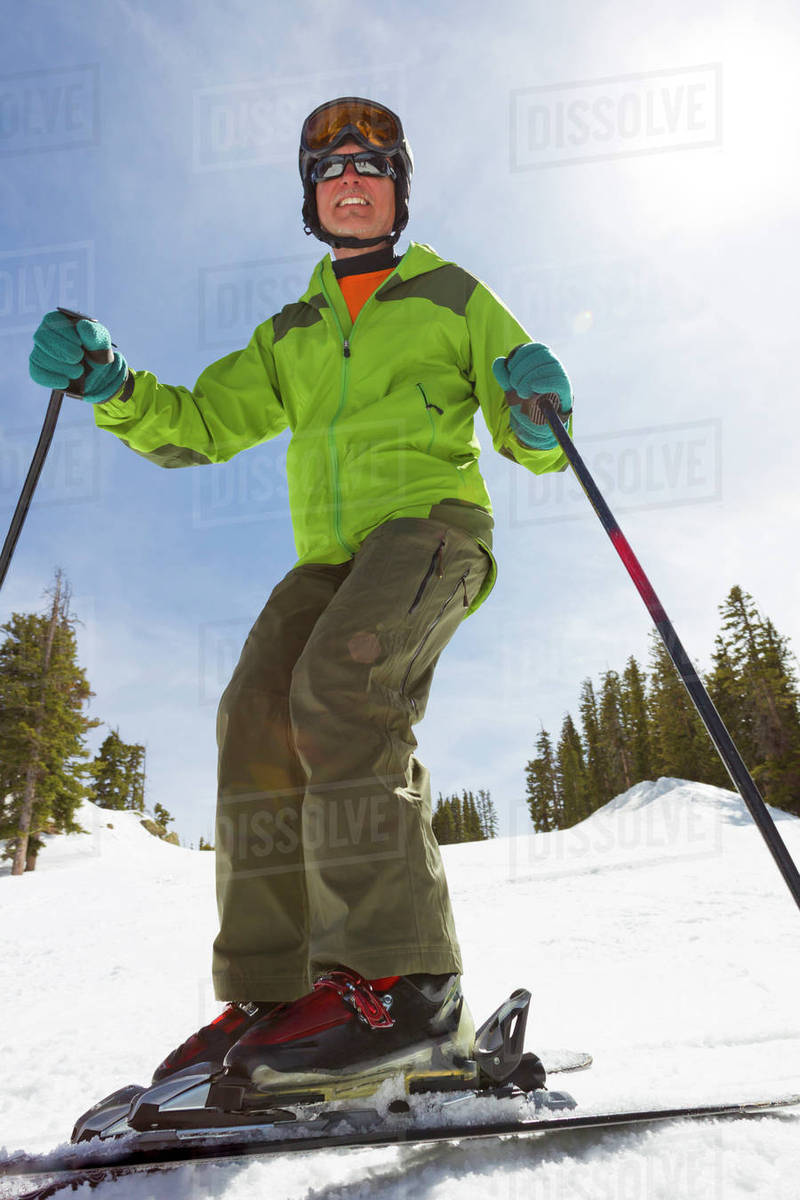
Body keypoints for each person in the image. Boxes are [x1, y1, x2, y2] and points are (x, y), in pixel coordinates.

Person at [29, 97, 574, 1106]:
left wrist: (539, 409)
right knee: (255, 713)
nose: (350, 179)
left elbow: (519, 420)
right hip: (328, 556)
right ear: (311, 202)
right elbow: (195, 422)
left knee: (341, 682)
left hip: (430, 525)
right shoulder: (291, 332)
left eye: (370, 164)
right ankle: (279, 997)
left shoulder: (451, 294)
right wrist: (111, 383)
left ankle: (404, 985)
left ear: (398, 188)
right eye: (329, 171)